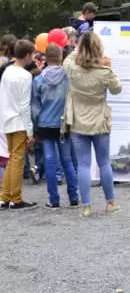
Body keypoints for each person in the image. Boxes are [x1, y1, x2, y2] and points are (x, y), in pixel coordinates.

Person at [63, 32, 121, 217]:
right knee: (104, 163)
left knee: (83, 165)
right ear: (98, 49)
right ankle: (110, 203)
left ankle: (86, 206)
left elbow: (69, 58)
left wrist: (80, 48)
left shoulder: (71, 68)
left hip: (78, 122)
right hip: (99, 122)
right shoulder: (105, 73)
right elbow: (117, 89)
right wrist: (108, 66)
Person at [31, 44, 79, 209]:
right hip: (63, 124)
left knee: (50, 161)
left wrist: (35, 127)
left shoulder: (38, 80)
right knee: (67, 162)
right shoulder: (68, 78)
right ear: (61, 57)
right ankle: (74, 198)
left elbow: (35, 108)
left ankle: (54, 200)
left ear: (45, 58)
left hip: (45, 125)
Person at [0, 40, 37, 210]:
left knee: (11, 159)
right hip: (19, 122)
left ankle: (5, 196)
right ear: (28, 55)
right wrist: (30, 131)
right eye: (33, 54)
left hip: (6, 120)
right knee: (17, 160)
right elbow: (24, 105)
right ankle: (15, 198)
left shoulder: (7, 70)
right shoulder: (25, 75)